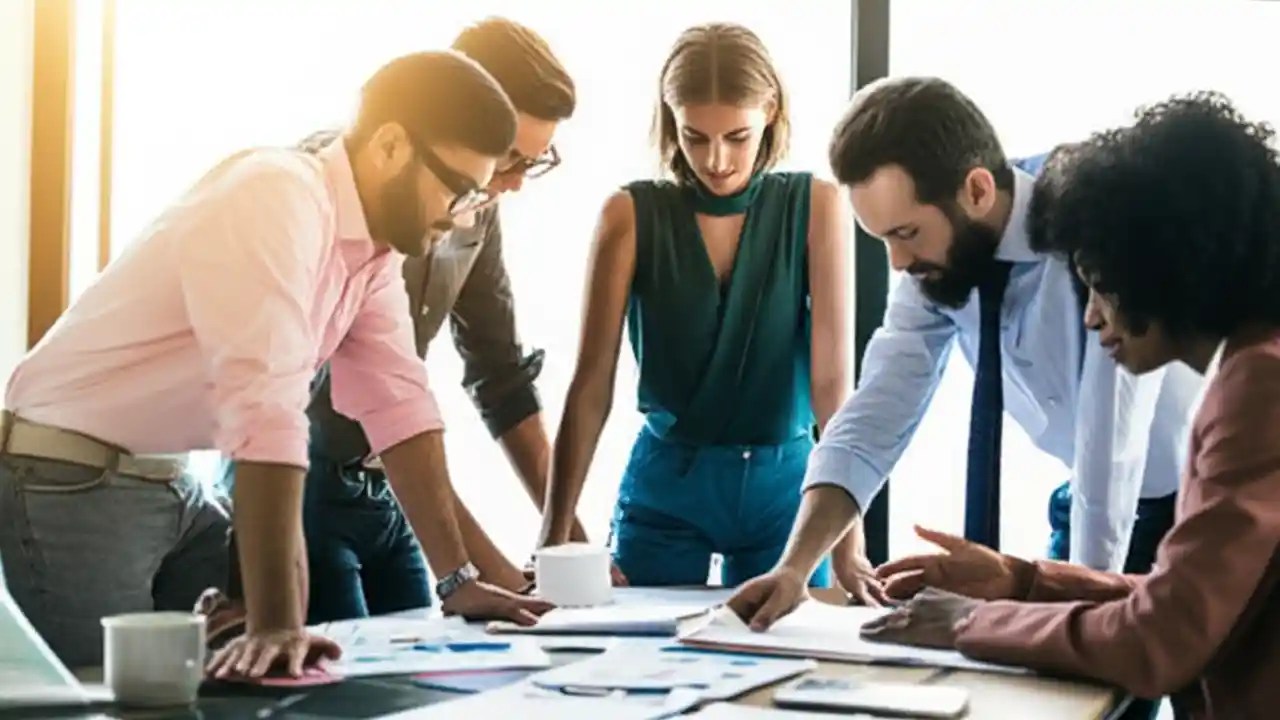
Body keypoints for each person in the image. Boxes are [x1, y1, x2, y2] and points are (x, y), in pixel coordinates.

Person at [0, 50, 549, 677]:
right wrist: (279, 621)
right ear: (392, 146)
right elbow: (267, 409)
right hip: (71, 479)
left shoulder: (371, 250)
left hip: (174, 485)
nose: (458, 215)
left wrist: (456, 580)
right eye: (457, 189)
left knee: (246, 686)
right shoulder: (277, 195)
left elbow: (400, 404)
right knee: (111, 697)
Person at [860, 91, 1280, 720]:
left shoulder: (1259, 384)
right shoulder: (1252, 367)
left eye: (1099, 282)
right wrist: (1024, 584)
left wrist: (972, 621)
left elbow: (1162, 640)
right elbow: (1186, 602)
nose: (1090, 315)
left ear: (1163, 264)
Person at [729, 76, 1200, 621]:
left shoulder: (1090, 216)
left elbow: (1112, 442)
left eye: (905, 233)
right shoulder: (936, 268)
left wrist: (1079, 617)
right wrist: (793, 568)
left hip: (1195, 505)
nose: (898, 263)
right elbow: (875, 415)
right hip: (1086, 501)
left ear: (976, 191)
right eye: (882, 239)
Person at [217, 17, 587, 625]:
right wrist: (489, 566)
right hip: (299, 485)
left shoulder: (478, 213)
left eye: (536, 159)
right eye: (510, 157)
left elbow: (498, 376)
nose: (516, 181)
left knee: (427, 681)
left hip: (391, 496)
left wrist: (566, 538)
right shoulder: (334, 189)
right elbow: (377, 400)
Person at [538, 22, 853, 588]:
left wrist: (849, 545)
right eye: (694, 136)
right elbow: (590, 386)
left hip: (788, 492)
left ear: (771, 112)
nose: (717, 160)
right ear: (670, 118)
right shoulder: (629, 214)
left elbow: (834, 386)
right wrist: (552, 539)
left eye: (737, 135)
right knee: (641, 662)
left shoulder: (816, 205)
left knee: (786, 665)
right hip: (668, 487)